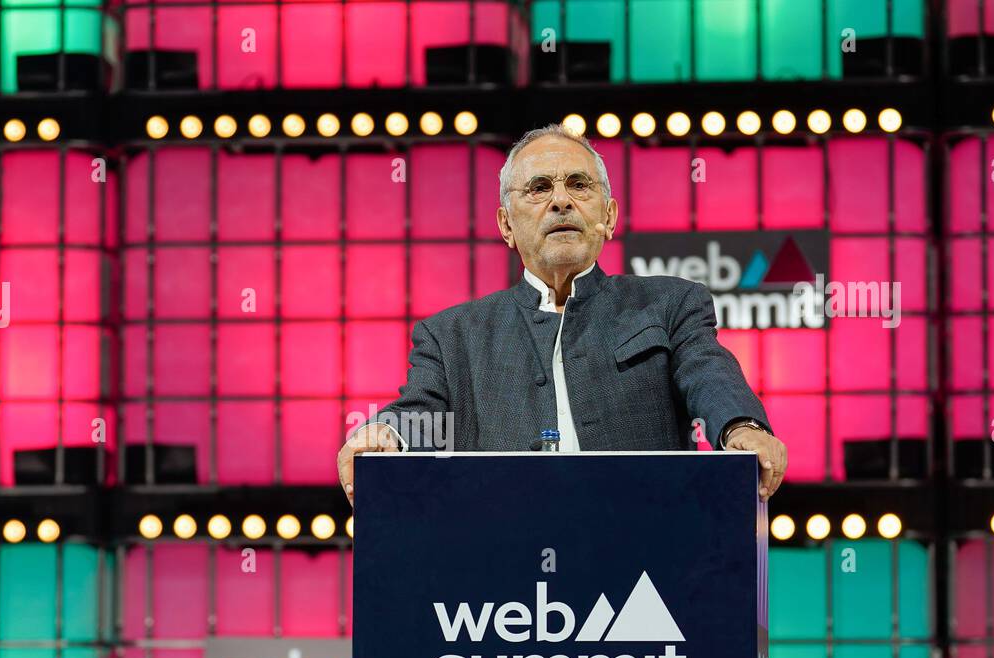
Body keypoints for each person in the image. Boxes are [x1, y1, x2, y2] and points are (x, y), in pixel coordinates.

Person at [337, 123, 787, 506]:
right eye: (538, 188)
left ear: (608, 217)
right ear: (506, 226)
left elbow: (707, 373)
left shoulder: (670, 305)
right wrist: (381, 435)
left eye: (578, 184)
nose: (561, 201)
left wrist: (741, 427)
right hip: (506, 578)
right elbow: (421, 412)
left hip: (648, 550)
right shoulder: (451, 336)